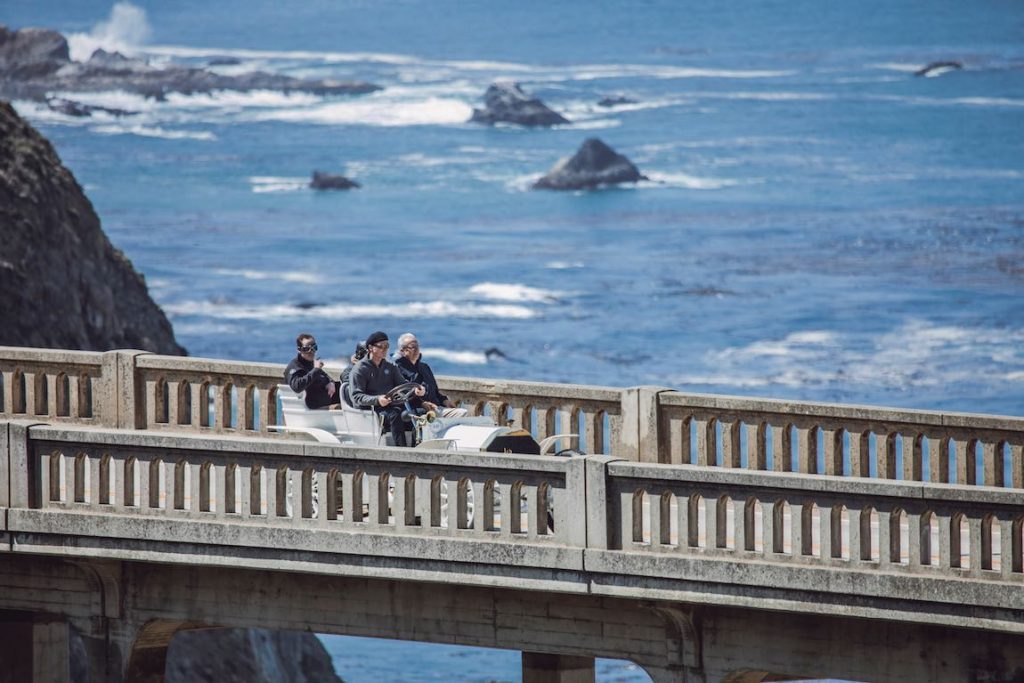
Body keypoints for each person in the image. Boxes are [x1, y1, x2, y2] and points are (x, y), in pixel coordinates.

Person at [349, 331, 424, 447]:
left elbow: (402, 384)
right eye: (381, 347)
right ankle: (402, 450)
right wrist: (377, 399)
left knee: (419, 413)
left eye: (387, 346)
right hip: (370, 410)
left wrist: (415, 390)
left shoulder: (390, 367)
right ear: (370, 348)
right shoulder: (359, 369)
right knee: (395, 414)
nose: (385, 350)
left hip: (389, 406)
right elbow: (356, 396)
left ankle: (418, 447)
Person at [395, 332, 468, 418]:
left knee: (462, 413)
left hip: (436, 408)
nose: (416, 349)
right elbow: (402, 396)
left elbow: (436, 392)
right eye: (412, 347)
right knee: (461, 414)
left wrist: (445, 401)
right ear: (402, 351)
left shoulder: (425, 367)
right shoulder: (397, 370)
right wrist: (422, 403)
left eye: (417, 346)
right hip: (417, 412)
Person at [284, 333, 341, 409]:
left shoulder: (311, 364)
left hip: (326, 400)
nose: (311, 351)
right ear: (299, 350)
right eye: (306, 349)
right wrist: (316, 370)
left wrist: (330, 382)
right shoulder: (295, 367)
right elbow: (297, 387)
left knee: (347, 388)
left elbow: (325, 375)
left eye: (314, 347)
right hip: (313, 408)